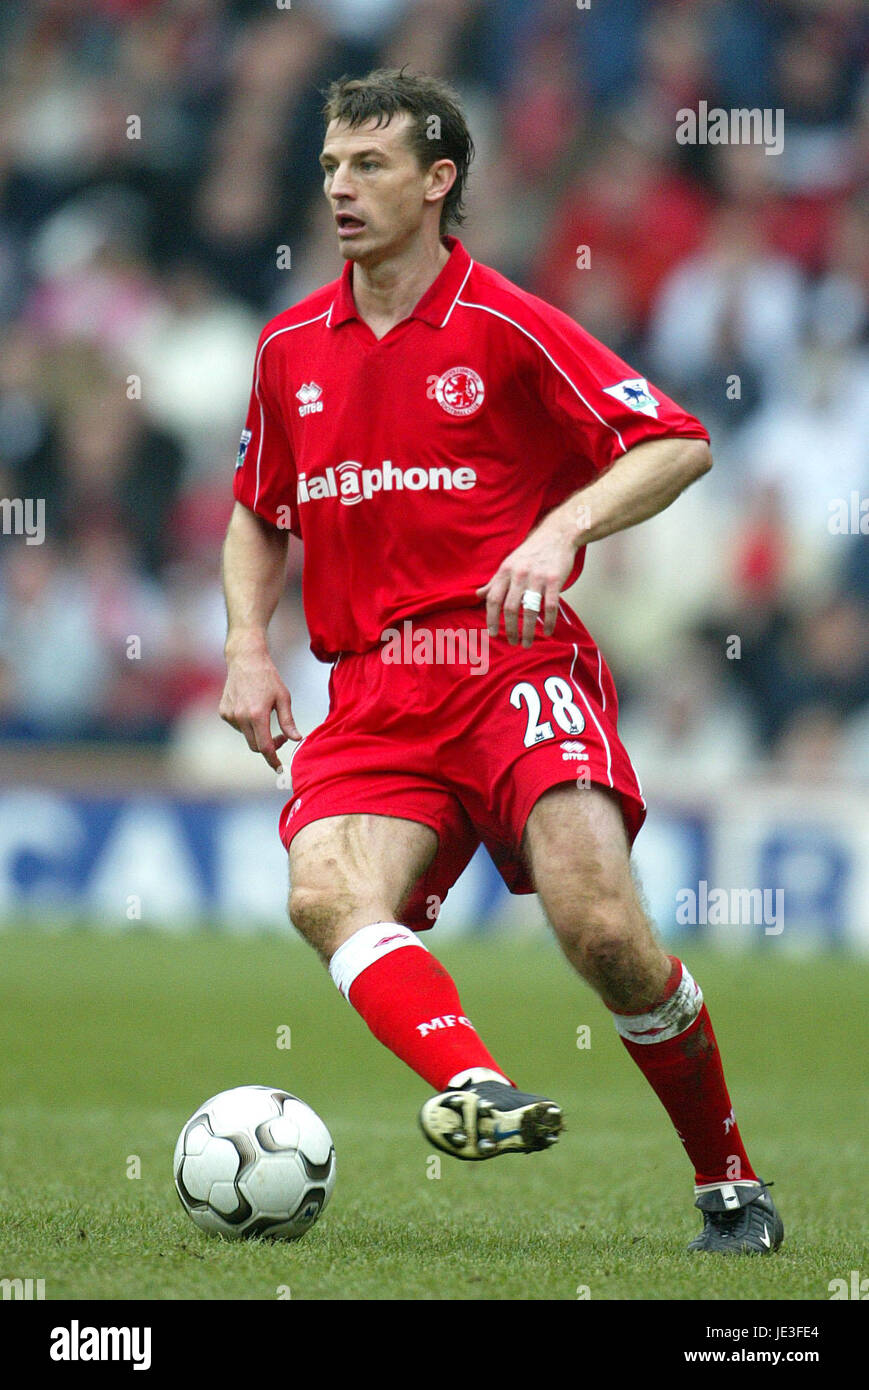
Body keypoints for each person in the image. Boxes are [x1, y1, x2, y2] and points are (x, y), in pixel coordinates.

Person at [220, 69, 783, 1255]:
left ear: (438, 182)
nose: (339, 187)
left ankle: (726, 1181)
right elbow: (258, 508)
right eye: (329, 165)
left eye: (367, 165)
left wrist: (561, 524)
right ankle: (473, 1084)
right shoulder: (286, 349)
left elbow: (674, 441)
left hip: (507, 666)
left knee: (602, 931)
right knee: (323, 891)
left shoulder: (507, 323)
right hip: (369, 688)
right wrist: (244, 644)